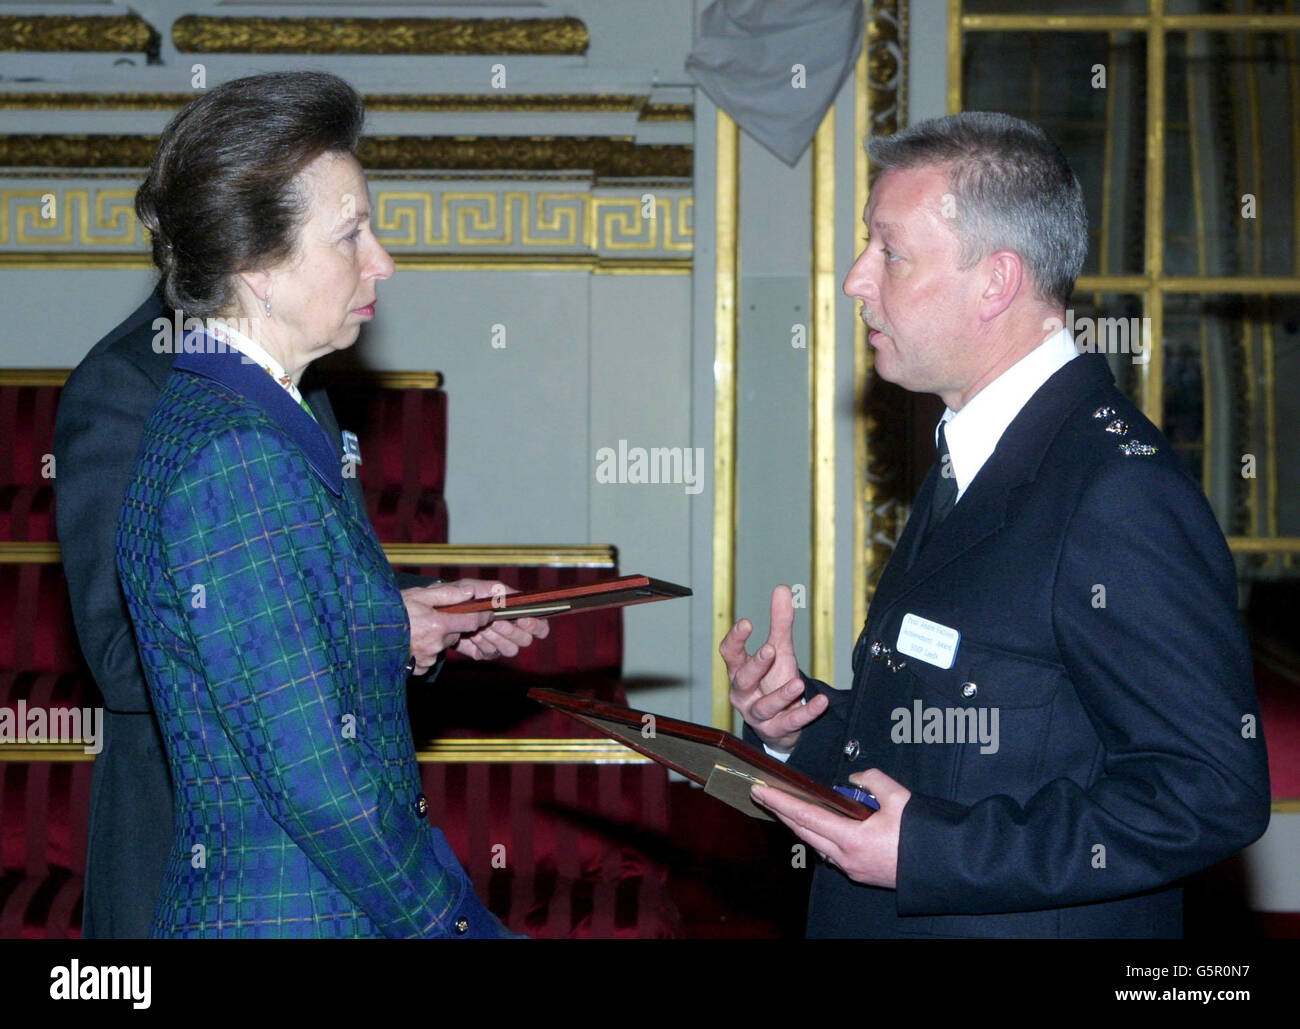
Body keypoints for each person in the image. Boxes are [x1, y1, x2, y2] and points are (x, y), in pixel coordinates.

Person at [722, 111, 1271, 938]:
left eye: (890, 252)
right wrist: (802, 721)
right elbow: (971, 735)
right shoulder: (975, 448)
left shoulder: (1115, 489)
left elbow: (1211, 789)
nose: (855, 280)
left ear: (996, 282)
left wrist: (934, 853)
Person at [58, 71, 544, 938]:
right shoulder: (234, 443)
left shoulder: (249, 403)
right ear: (255, 264)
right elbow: (316, 774)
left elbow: (276, 617)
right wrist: (461, 925)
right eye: (351, 234)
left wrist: (394, 622)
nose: (383, 260)